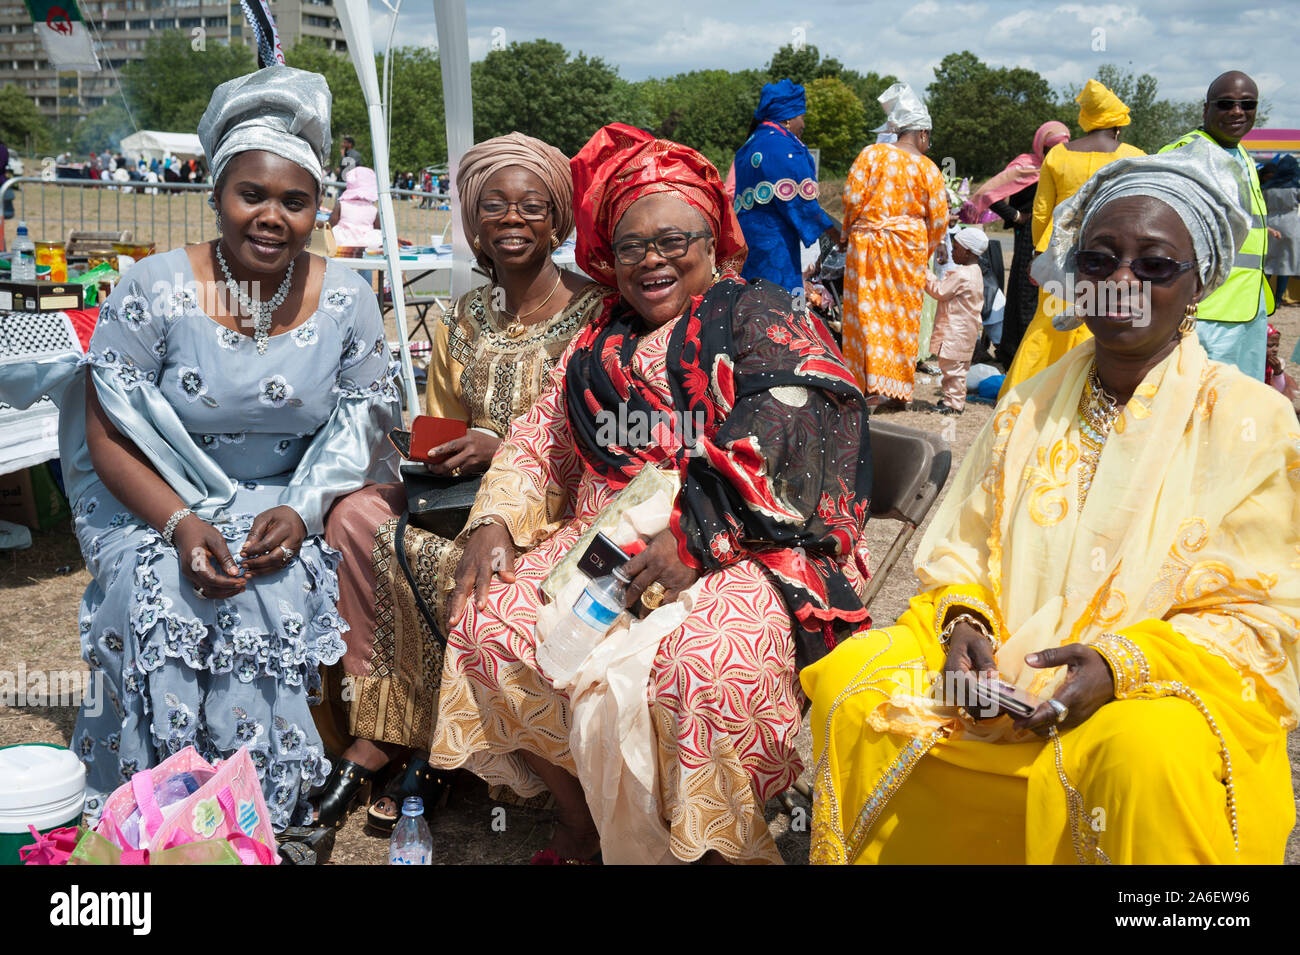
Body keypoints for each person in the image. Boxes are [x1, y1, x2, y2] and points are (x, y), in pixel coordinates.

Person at [803, 139, 1300, 865]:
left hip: (1154, 690)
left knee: (1142, 753)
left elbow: (1262, 615)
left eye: (1155, 265)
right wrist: (963, 627)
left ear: (1197, 285)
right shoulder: (1027, 403)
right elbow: (965, 551)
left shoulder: (1254, 422)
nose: (1123, 281)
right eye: (1099, 261)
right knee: (855, 682)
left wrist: (1119, 665)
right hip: (1005, 674)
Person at [425, 123, 872, 864]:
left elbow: (790, 418)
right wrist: (497, 516)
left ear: (713, 238)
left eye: (675, 240)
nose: (653, 260)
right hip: (610, 534)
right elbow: (544, 433)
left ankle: (709, 846)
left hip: (752, 543)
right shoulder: (601, 332)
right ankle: (584, 824)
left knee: (696, 666)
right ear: (609, 256)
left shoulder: (758, 311)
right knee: (488, 620)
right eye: (632, 247)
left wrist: (697, 535)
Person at [64, 66, 401, 830]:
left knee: (271, 590)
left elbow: (364, 421)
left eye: (295, 200)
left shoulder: (348, 297)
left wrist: (300, 511)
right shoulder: (150, 288)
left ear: (319, 209)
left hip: (290, 500)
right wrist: (181, 524)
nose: (271, 216)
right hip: (155, 503)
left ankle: (250, 805)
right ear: (216, 194)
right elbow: (106, 433)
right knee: (159, 589)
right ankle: (156, 799)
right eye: (252, 194)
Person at [315, 133, 605, 832]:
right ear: (473, 223)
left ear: (558, 221)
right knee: (354, 516)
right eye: (494, 206)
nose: (513, 219)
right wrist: (443, 451)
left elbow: (595, 439)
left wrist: (501, 445)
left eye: (532, 206)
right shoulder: (459, 316)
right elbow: (442, 424)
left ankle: (434, 752)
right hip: (462, 494)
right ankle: (391, 723)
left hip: (559, 501)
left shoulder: (595, 314)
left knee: (450, 562)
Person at [1000, 79, 1145, 395]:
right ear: (1117, 125)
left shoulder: (1058, 155)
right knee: (1101, 321)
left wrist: (1039, 253)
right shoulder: (1135, 156)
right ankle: (1090, 393)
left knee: (1049, 324)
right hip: (1110, 252)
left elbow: (1042, 212)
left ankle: (1030, 393)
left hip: (1059, 252)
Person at [841, 82, 949, 409]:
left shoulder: (870, 155)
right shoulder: (928, 169)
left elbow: (852, 199)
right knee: (900, 317)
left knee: (866, 314)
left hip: (867, 247)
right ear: (922, 134)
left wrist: (848, 232)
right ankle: (895, 387)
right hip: (908, 249)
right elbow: (939, 218)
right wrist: (926, 250)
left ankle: (865, 385)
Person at [1160, 71, 1272, 380]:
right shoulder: (1187, 155)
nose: (1237, 112)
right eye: (1226, 104)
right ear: (1206, 109)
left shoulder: (1240, 152)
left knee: (1240, 405)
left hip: (1246, 309)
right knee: (1200, 406)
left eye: (1247, 105)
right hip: (1204, 313)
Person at [961, 121, 1071, 365]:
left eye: (1062, 146)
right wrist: (1016, 216)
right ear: (1041, 146)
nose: (1056, 152)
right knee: (1024, 293)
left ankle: (1034, 351)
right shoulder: (1025, 166)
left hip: (1052, 237)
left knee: (1045, 292)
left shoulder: (1062, 168)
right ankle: (1015, 352)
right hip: (1027, 238)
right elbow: (990, 194)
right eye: (1052, 147)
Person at [733, 79, 839, 295]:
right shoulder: (783, 147)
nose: (804, 124)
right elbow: (801, 203)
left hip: (747, 244)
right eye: (802, 117)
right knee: (778, 310)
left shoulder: (749, 145)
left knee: (749, 305)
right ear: (789, 118)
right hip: (774, 248)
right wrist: (836, 235)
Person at [924, 228, 987, 415]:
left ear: (967, 252)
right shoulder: (974, 271)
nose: (952, 251)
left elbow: (940, 291)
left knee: (952, 369)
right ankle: (953, 399)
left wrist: (925, 272)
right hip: (965, 331)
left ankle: (954, 404)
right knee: (958, 367)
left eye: (956, 248)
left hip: (955, 331)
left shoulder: (963, 274)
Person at [1260, 154, 1299, 305]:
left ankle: (1264, 296)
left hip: (1270, 225)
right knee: (1285, 264)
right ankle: (1278, 299)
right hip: (1291, 226)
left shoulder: (1268, 187)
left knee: (1268, 263)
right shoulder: (1295, 187)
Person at [327, 164, 382, 250]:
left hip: (343, 242)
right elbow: (378, 227)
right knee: (377, 235)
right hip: (366, 244)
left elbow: (330, 224)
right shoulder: (373, 209)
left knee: (333, 233)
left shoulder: (341, 205)